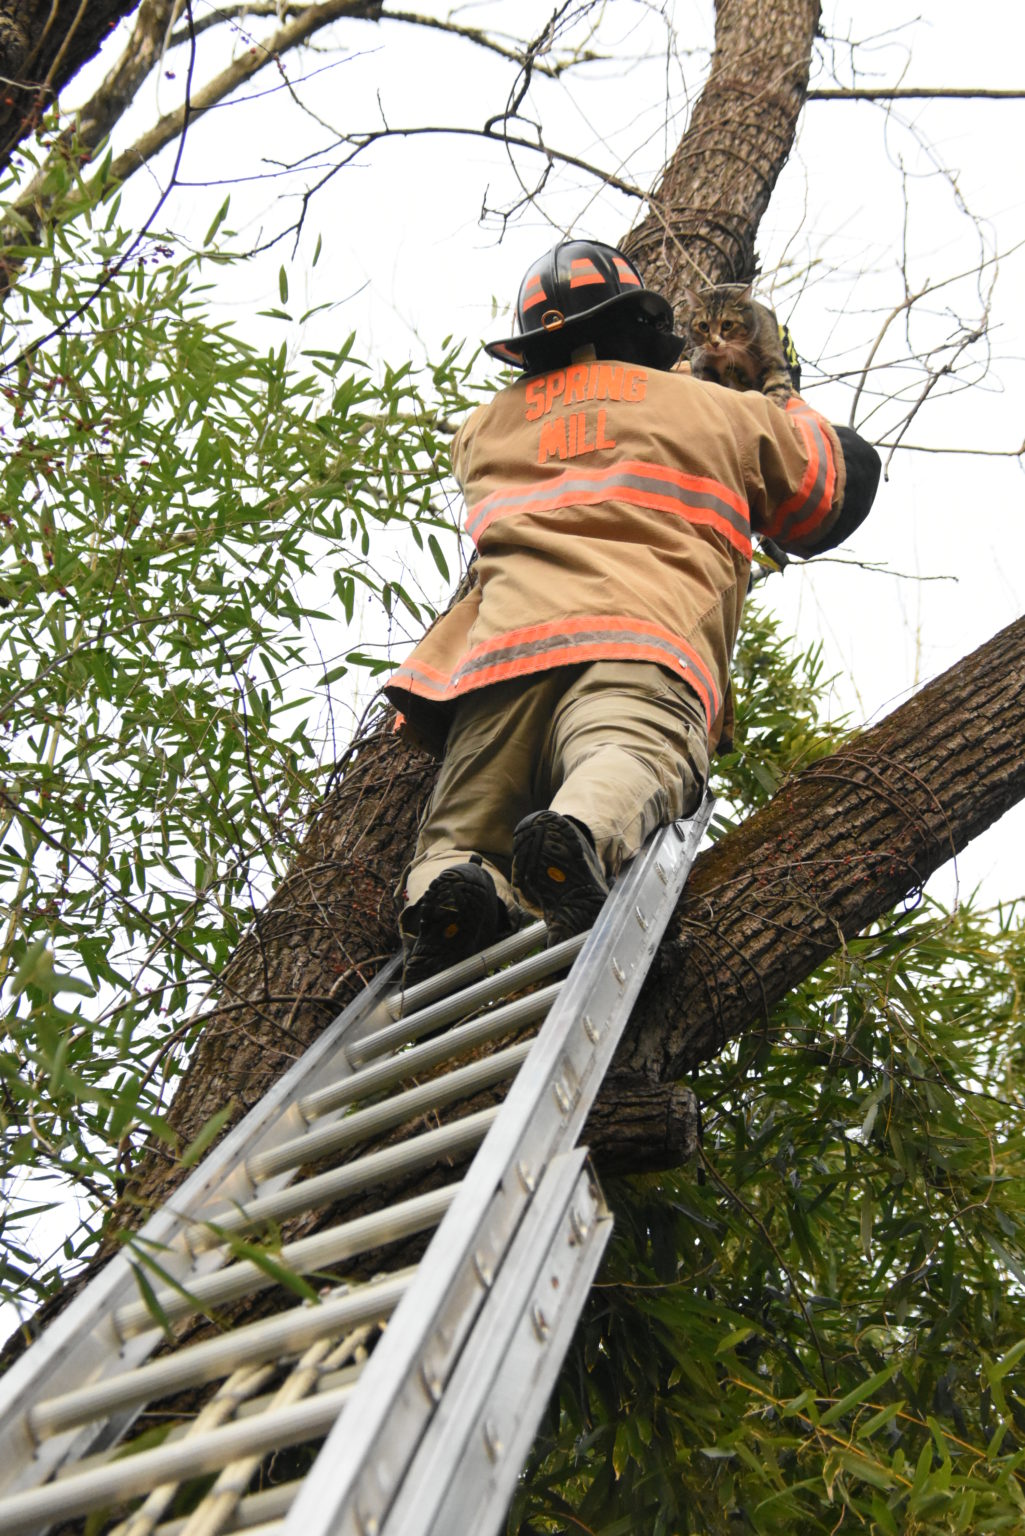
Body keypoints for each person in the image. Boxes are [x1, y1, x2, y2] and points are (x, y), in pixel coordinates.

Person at [385, 239, 881, 982]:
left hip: (497, 668)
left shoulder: (481, 433)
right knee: (628, 754)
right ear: (640, 329)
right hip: (639, 641)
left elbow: (588, 414)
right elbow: (834, 486)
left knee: (458, 837)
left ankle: (454, 896)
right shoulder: (714, 410)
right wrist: (775, 383)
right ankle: (574, 834)